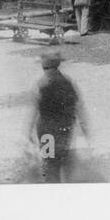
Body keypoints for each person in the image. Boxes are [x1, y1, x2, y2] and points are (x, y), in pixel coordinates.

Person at [25, 50, 90, 183]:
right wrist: (85, 129)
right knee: (65, 161)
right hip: (65, 129)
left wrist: (28, 131)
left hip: (46, 131)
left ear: (43, 67)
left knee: (50, 165)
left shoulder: (40, 84)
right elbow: (79, 107)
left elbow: (34, 109)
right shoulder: (68, 82)